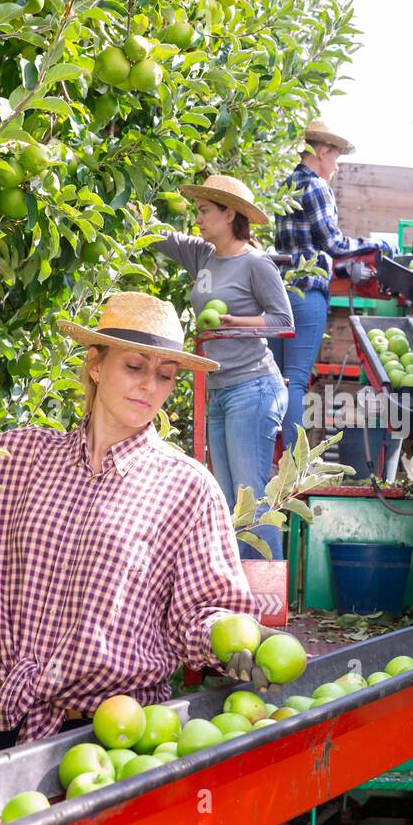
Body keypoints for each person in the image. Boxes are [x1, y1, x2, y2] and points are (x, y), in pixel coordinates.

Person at [0, 291, 274, 754]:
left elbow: (201, 612)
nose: (150, 386)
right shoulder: (19, 458)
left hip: (119, 739)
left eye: (165, 375)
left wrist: (236, 641)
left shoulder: (186, 487)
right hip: (9, 726)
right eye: (134, 366)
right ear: (95, 364)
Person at [152, 174, 293, 561]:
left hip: (252, 388)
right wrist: (133, 210)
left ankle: (267, 600)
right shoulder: (203, 256)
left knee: (252, 501)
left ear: (229, 213)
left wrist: (236, 323)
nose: (197, 218)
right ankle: (240, 600)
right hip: (218, 388)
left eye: (204, 211)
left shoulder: (255, 263)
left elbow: (284, 321)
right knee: (229, 503)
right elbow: (162, 238)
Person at [272, 119, 394, 450]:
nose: (337, 168)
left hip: (279, 292)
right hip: (306, 290)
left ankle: (275, 454)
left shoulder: (286, 186)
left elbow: (296, 244)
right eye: (336, 158)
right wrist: (378, 247)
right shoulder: (316, 187)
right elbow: (333, 244)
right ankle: (294, 463)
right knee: (297, 380)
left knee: (279, 380)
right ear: (322, 152)